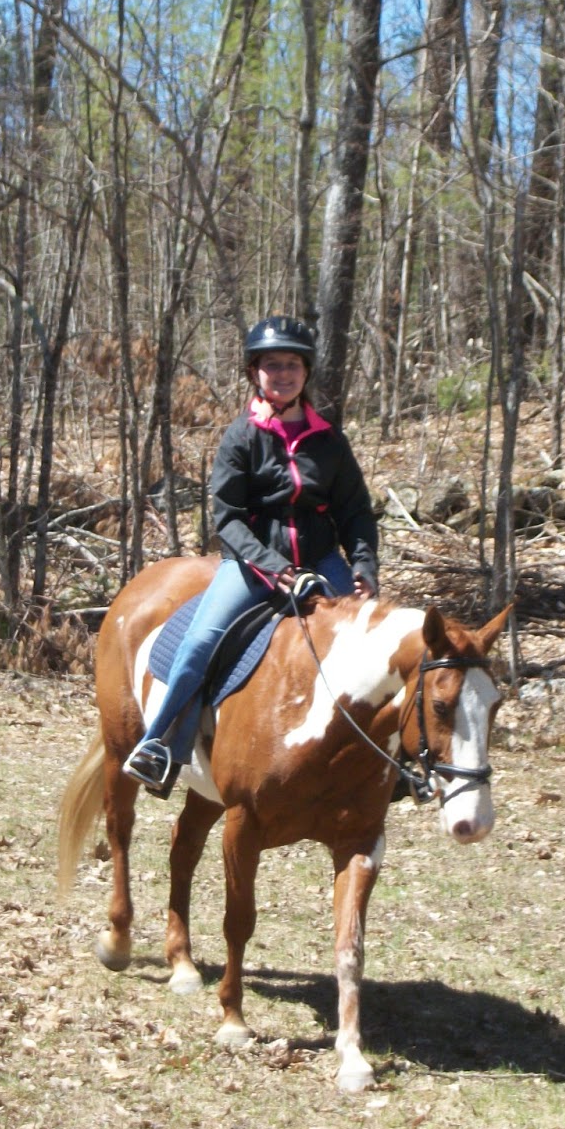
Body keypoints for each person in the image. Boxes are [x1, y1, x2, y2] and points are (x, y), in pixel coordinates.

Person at [124, 316, 380, 796]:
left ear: (306, 372)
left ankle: (392, 762)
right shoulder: (241, 437)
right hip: (254, 563)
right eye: (271, 365)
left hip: (322, 559)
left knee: (376, 640)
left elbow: (356, 513)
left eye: (292, 365)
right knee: (199, 642)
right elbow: (229, 518)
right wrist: (273, 566)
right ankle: (159, 745)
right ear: (254, 372)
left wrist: (364, 564)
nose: (282, 373)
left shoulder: (329, 441)